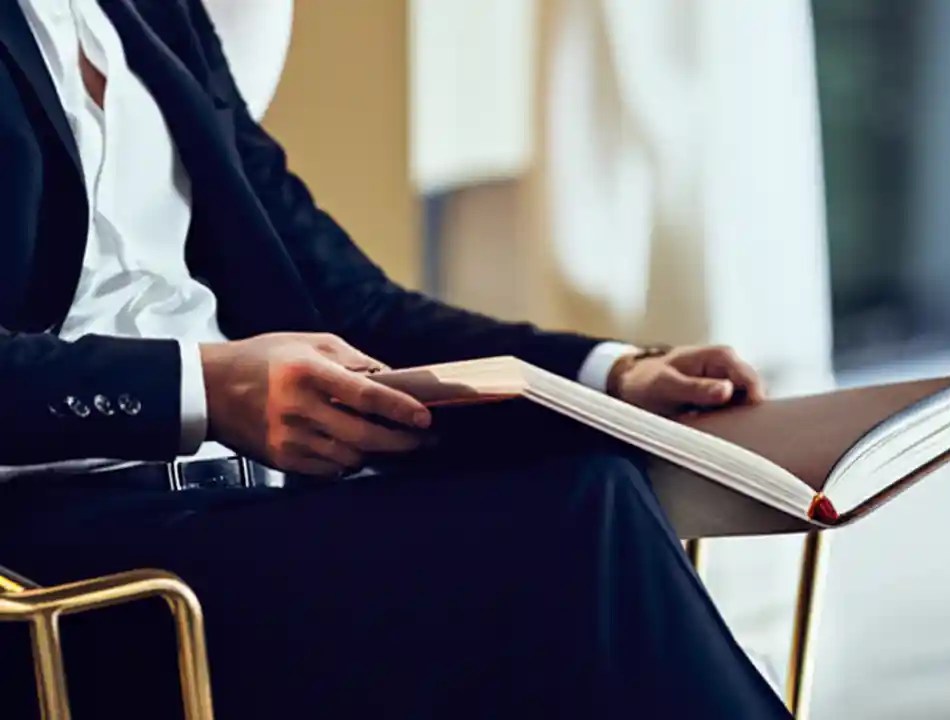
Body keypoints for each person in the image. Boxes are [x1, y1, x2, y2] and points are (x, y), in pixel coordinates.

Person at [0, 0, 789, 717]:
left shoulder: (150, 14)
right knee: (577, 528)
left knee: (592, 486)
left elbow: (352, 302)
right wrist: (203, 387)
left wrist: (613, 374)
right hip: (62, 565)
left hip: (249, 517)